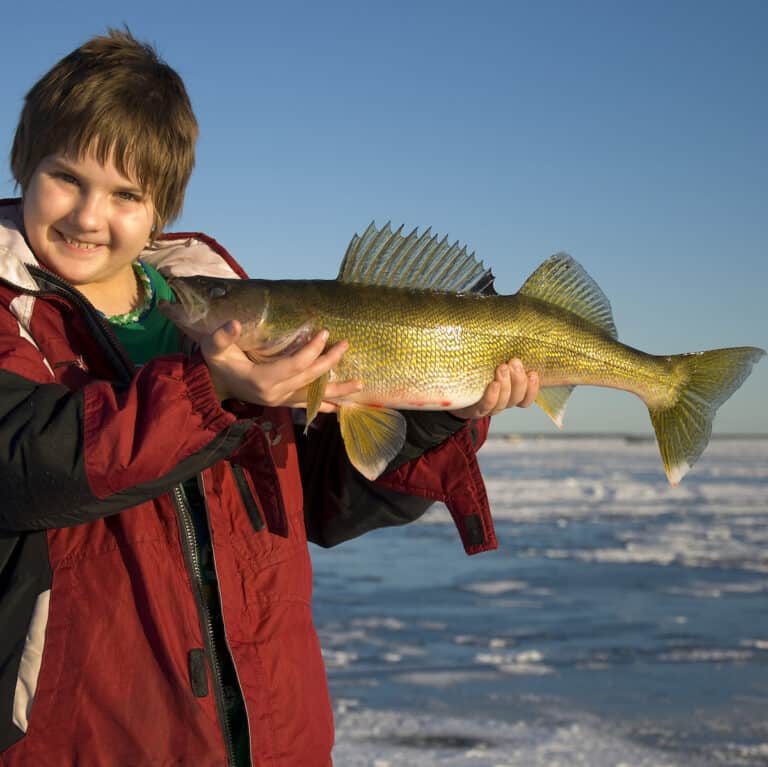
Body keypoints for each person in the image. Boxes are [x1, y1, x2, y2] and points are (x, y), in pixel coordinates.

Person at [0, 29, 540, 767]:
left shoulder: (223, 321)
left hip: (273, 736)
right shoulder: (16, 317)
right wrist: (211, 392)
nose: (90, 217)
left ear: (160, 209)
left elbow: (323, 501)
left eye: (126, 194)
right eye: (67, 178)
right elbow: (25, 465)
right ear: (23, 165)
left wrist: (436, 415)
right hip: (90, 742)